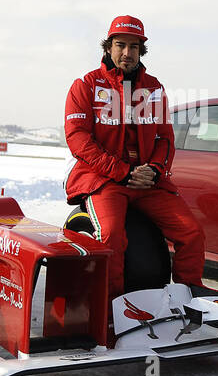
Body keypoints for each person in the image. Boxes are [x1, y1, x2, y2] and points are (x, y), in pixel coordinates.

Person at [64, 15, 205, 301]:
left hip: (146, 182)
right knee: (112, 236)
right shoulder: (86, 85)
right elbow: (78, 139)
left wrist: (154, 169)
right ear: (108, 47)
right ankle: (112, 309)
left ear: (141, 51)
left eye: (134, 47)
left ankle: (188, 301)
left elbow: (165, 138)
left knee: (192, 232)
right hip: (104, 180)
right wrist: (122, 172)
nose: (127, 53)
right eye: (120, 45)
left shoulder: (154, 89)